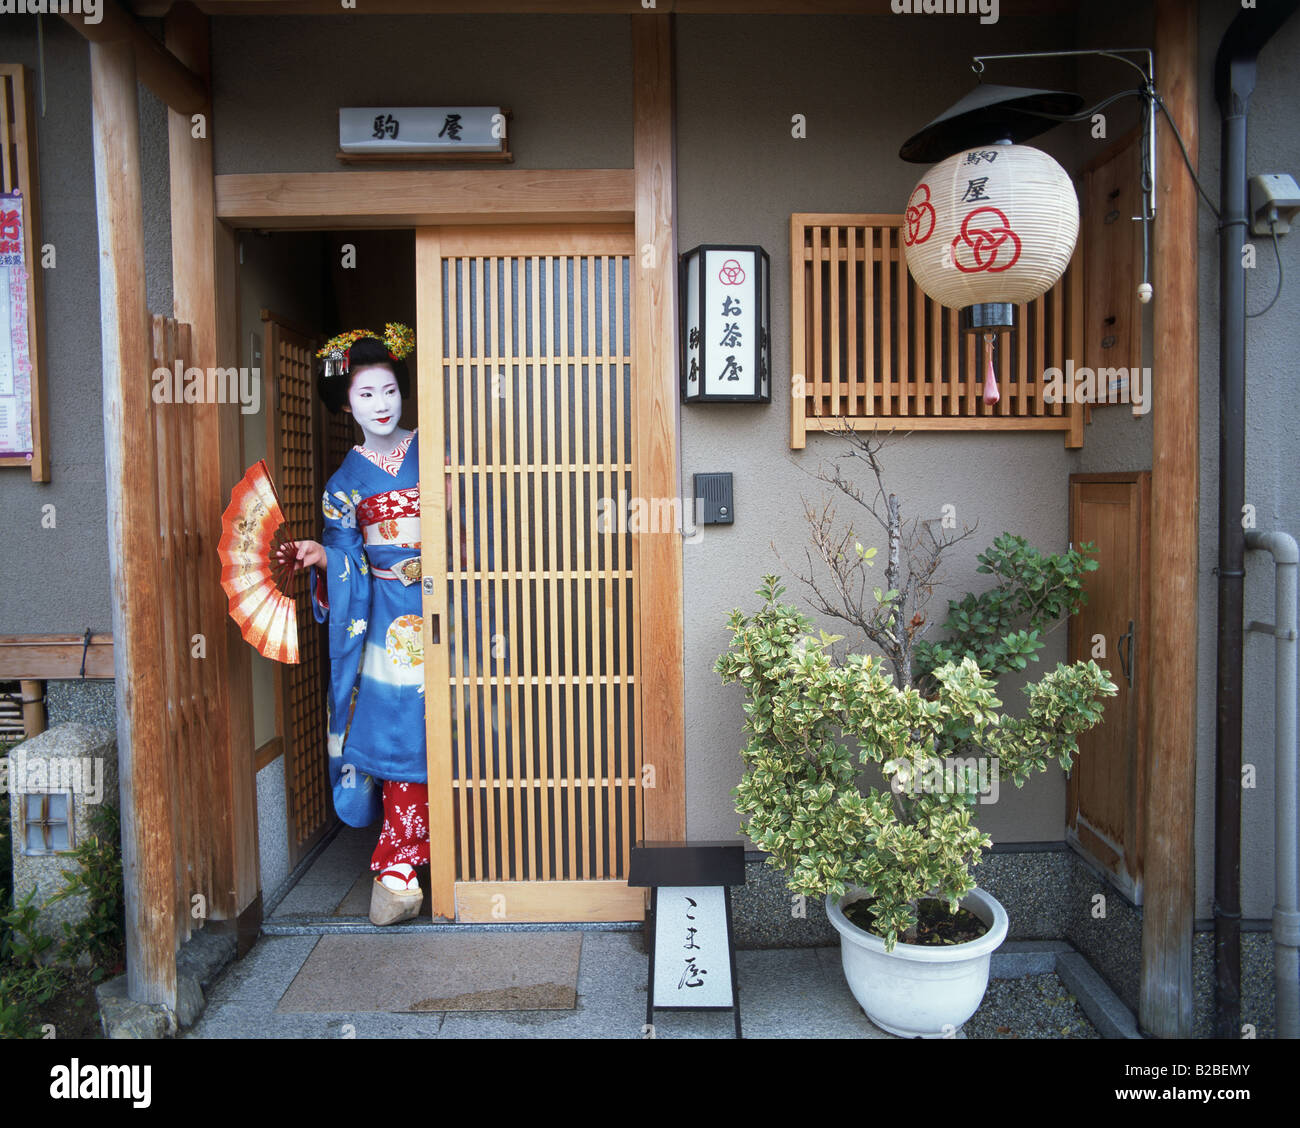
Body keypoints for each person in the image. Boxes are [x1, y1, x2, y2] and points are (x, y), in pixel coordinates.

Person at [276, 323, 429, 926]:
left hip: (451, 603)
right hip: (388, 612)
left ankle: (468, 852)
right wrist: (322, 557)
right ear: (346, 403)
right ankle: (398, 866)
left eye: (389, 390)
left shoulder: (435, 450)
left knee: (468, 717)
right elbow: (347, 558)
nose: (382, 404)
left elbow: (474, 518)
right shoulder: (344, 486)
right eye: (366, 394)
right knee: (398, 728)